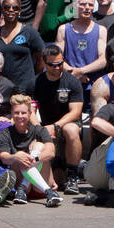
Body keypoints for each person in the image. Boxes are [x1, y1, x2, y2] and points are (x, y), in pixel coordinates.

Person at [28, 44, 84, 193]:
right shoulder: (36, 82)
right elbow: (30, 110)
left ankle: (73, 177)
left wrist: (56, 126)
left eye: (60, 64)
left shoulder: (72, 81)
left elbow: (76, 111)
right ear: (44, 63)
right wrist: (40, 128)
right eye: (52, 65)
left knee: (71, 130)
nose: (57, 68)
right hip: (45, 127)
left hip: (66, 123)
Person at [0, 94, 63, 206]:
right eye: (16, 113)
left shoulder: (39, 130)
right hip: (20, 181)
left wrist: (33, 159)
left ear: (30, 114)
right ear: (12, 114)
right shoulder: (5, 133)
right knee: (20, 156)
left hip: (39, 187)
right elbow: (4, 157)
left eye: (23, 113)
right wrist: (16, 156)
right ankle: (48, 192)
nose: (20, 116)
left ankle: (25, 186)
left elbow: (51, 152)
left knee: (39, 146)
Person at [0, 0, 44, 90]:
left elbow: (41, 58)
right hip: (2, 88)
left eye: (15, 8)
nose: (11, 10)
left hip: (25, 89)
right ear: (2, 11)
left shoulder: (29, 32)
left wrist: (34, 79)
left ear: (20, 11)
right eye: (7, 7)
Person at [59, 0, 107, 92]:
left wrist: (81, 71)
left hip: (92, 85)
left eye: (90, 5)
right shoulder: (63, 29)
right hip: (68, 84)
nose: (87, 8)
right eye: (83, 4)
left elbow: (103, 60)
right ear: (75, 6)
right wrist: (73, 73)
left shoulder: (101, 30)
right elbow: (57, 58)